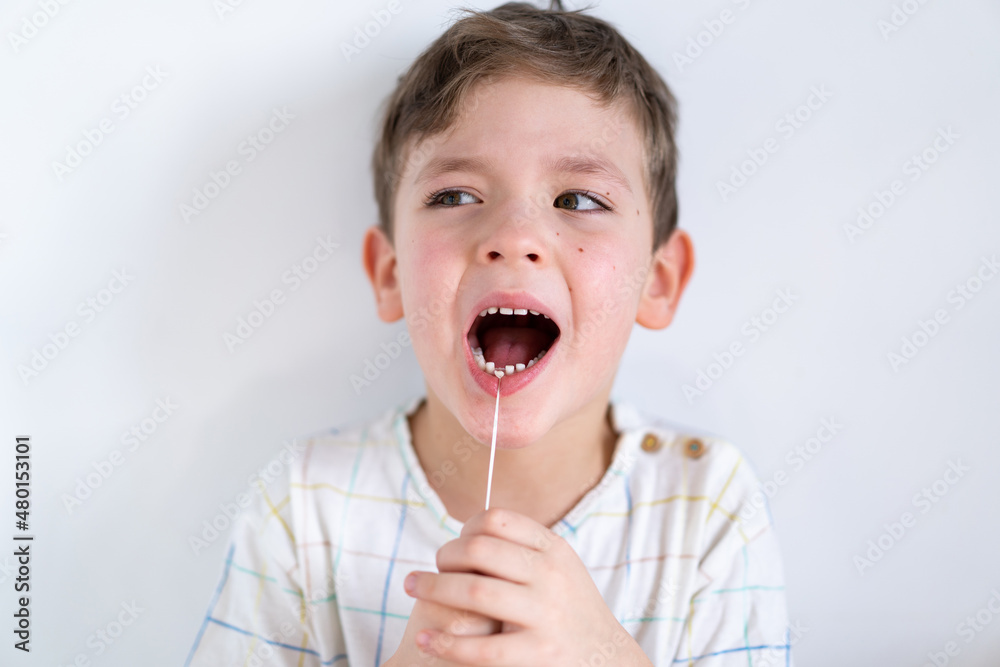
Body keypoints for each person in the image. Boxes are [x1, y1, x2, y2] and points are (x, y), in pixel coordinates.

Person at [185, 2, 793, 665]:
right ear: (390, 275)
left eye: (579, 200)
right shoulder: (303, 505)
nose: (514, 238)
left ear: (658, 280)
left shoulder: (704, 504)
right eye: (455, 196)